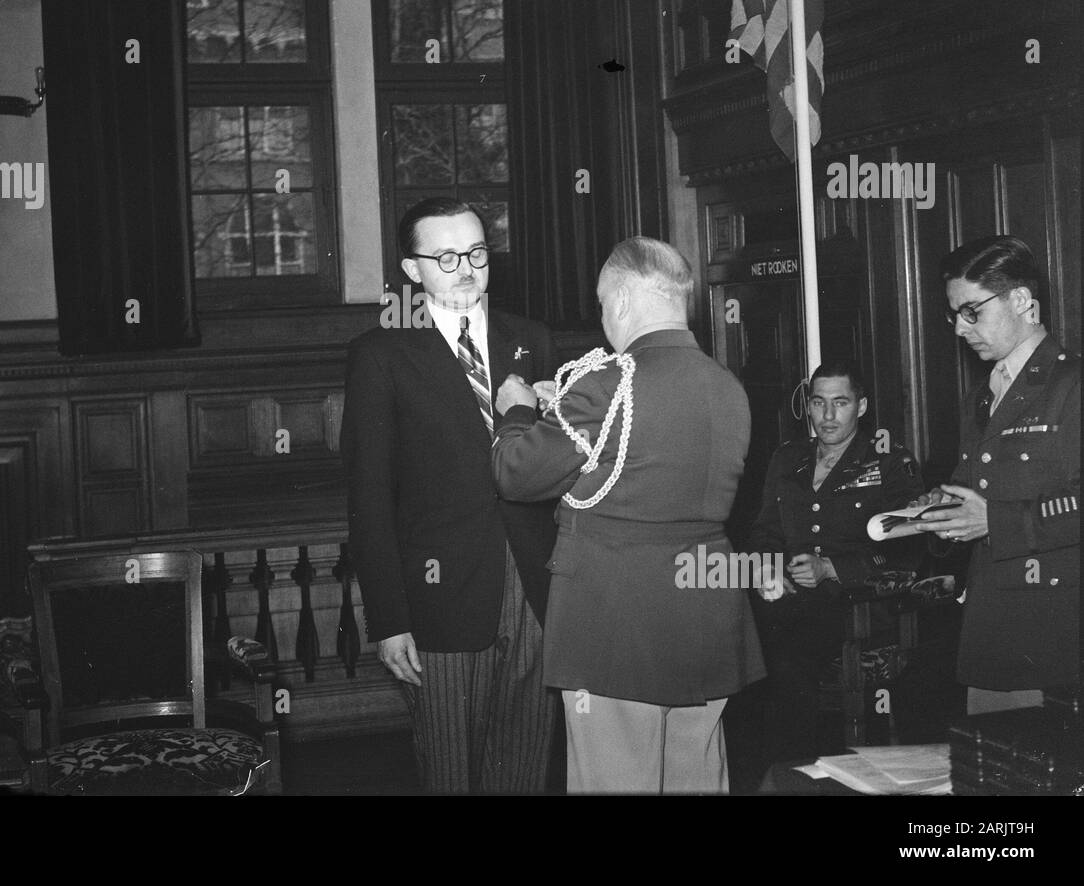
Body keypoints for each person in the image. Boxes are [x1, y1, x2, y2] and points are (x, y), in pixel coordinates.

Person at [492, 237, 765, 793]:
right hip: (707, 615)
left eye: (599, 304)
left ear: (618, 302)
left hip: (615, 620)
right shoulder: (729, 386)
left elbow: (517, 475)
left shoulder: (607, 385)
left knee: (615, 782)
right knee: (697, 781)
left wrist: (517, 413)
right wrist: (561, 409)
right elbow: (644, 462)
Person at [340, 197, 558, 792]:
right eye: (445, 256)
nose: (466, 268)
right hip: (437, 597)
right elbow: (368, 499)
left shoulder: (532, 339)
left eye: (477, 252)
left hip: (533, 586)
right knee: (450, 770)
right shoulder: (380, 353)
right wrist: (388, 619)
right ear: (412, 271)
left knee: (524, 767)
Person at [910, 235, 1079, 714]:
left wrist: (995, 522)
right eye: (954, 316)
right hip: (992, 623)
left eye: (972, 312)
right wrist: (936, 512)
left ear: (1021, 302)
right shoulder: (984, 395)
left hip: (1056, 633)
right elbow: (973, 493)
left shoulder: (1072, 385)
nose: (961, 329)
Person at [749, 360, 925, 765]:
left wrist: (832, 568)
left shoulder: (889, 463)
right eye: (818, 403)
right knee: (737, 636)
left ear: (860, 406)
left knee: (788, 660)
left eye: (840, 403)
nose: (827, 416)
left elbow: (906, 549)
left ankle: (795, 772)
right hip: (788, 601)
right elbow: (764, 532)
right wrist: (767, 566)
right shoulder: (787, 458)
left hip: (858, 606)